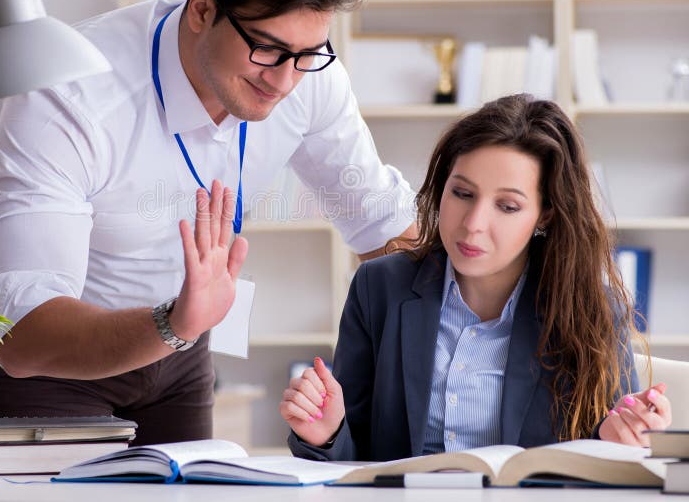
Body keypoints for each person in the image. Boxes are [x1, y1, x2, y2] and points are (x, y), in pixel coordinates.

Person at [0, 0, 415, 445]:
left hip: (181, 337)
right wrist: (175, 324)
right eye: (267, 50)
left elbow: (387, 231)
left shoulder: (308, 74)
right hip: (52, 355)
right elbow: (22, 334)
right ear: (201, 9)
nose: (286, 81)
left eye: (307, 54)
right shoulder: (69, 94)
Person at [280, 93, 672, 461]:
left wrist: (624, 437)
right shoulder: (378, 288)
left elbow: (603, 456)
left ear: (545, 214)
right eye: (462, 194)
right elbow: (354, 459)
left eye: (507, 206)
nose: (473, 224)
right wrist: (327, 434)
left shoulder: (592, 307)